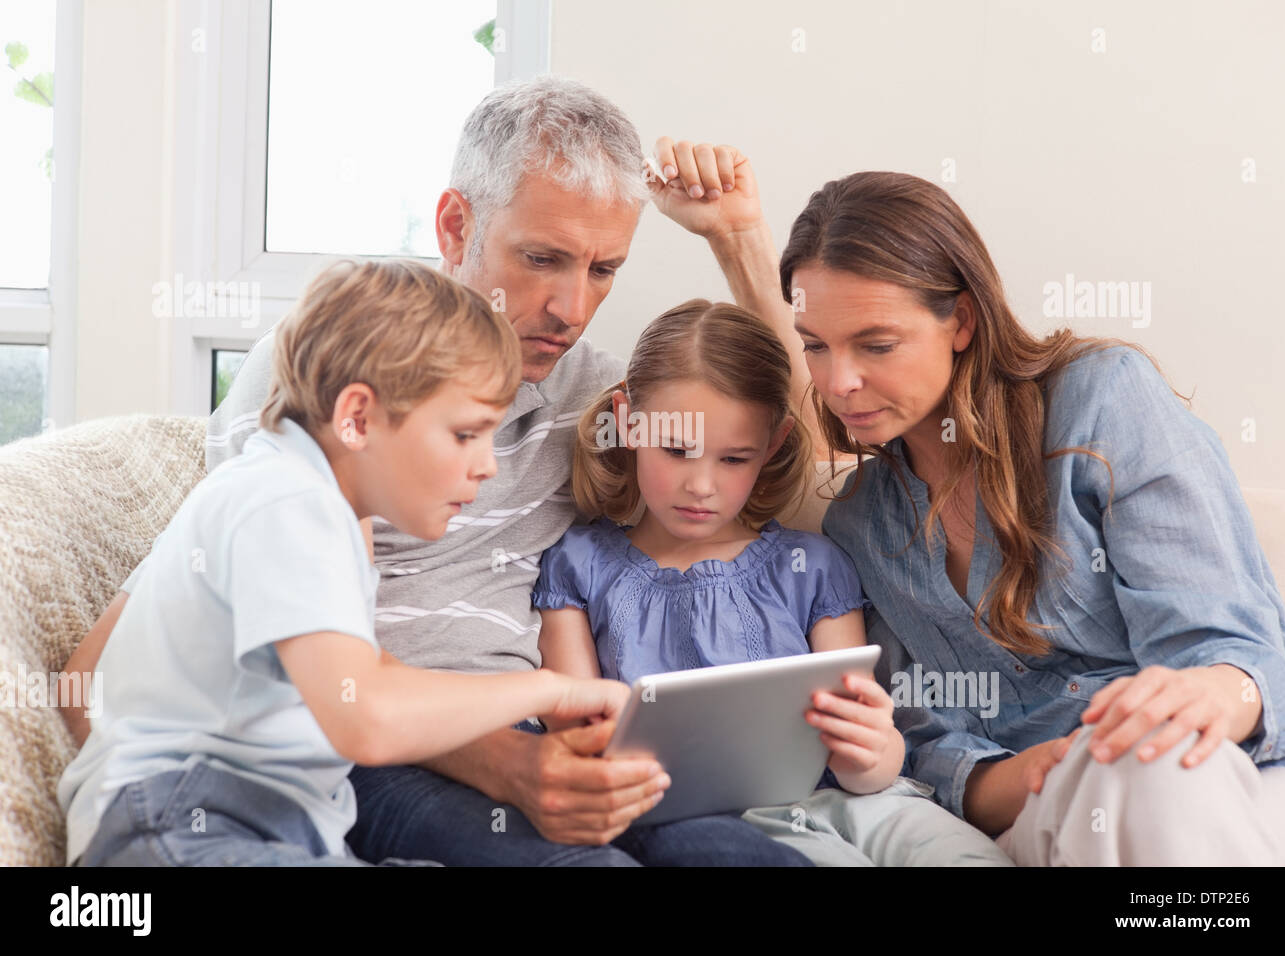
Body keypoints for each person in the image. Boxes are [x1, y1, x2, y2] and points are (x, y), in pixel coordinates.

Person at [59, 76, 815, 866]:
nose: (572, 307)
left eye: (604, 270)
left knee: (736, 855)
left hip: (492, 741)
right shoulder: (327, 390)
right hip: (389, 758)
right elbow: (207, 647)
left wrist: (738, 240)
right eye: (543, 258)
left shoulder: (605, 402)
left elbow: (798, 459)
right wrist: (517, 750)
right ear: (457, 226)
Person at [777, 169, 1285, 865]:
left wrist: (1213, 693)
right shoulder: (862, 521)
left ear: (961, 320)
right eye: (814, 344)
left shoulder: (1102, 403)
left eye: (876, 344)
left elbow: (1248, 661)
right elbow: (922, 745)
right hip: (1048, 812)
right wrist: (1028, 774)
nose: (838, 381)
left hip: (1209, 779)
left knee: (1153, 761)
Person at [57, 258, 634, 866]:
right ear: (357, 418)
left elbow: (363, 677)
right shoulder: (284, 501)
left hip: (278, 831)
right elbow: (366, 720)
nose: (487, 464)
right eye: (466, 434)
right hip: (184, 826)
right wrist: (546, 690)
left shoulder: (320, 503)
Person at [533, 298, 1015, 865]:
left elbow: (870, 757)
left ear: (775, 443)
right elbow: (573, 732)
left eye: (734, 458)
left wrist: (872, 752)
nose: (701, 485)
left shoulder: (814, 566)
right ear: (628, 422)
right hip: (709, 824)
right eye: (676, 449)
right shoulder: (579, 565)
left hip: (847, 802)